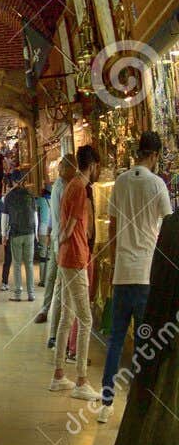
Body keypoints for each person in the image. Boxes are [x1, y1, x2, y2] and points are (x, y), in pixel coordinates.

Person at [97, 207, 179, 445]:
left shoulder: (171, 225)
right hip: (171, 345)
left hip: (160, 335)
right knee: (165, 425)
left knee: (150, 413)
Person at [98, 132, 173, 424]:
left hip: (122, 274)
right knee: (143, 339)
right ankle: (136, 403)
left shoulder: (121, 182)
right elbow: (167, 229)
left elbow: (113, 228)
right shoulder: (157, 185)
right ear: (154, 155)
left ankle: (106, 403)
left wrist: (116, 264)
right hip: (145, 273)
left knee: (116, 339)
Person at [50, 144, 102, 400]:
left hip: (65, 258)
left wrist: (60, 242)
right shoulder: (80, 189)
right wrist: (64, 240)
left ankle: (59, 374)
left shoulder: (70, 185)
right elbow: (70, 226)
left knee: (67, 316)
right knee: (85, 319)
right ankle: (81, 379)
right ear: (92, 165)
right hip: (75, 258)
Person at [41, 153, 77, 335]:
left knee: (57, 283)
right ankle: (50, 320)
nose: (59, 169)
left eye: (63, 166)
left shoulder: (67, 187)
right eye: (60, 166)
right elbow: (58, 214)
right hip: (60, 241)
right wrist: (52, 233)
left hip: (60, 241)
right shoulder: (60, 187)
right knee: (55, 281)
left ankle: (54, 331)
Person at [1, 171, 37, 302]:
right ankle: (31, 293)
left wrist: (3, 235)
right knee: (29, 264)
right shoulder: (30, 195)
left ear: (14, 181)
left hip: (15, 233)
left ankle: (17, 293)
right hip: (29, 233)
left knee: (16, 264)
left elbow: (4, 217)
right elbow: (35, 216)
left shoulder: (9, 197)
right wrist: (36, 233)